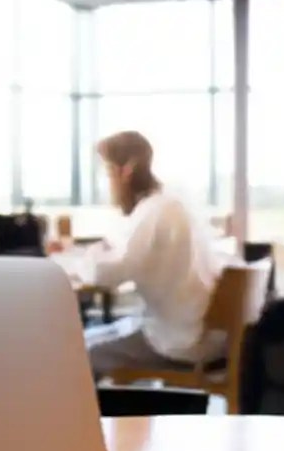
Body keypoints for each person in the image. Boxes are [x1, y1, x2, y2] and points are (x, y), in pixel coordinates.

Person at [81, 131, 226, 382]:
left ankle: (81, 421)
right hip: (198, 331)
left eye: (107, 173)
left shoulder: (153, 212)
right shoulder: (170, 204)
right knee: (92, 337)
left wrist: (90, 255)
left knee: (79, 353)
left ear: (126, 171)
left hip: (179, 340)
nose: (107, 185)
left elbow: (108, 274)